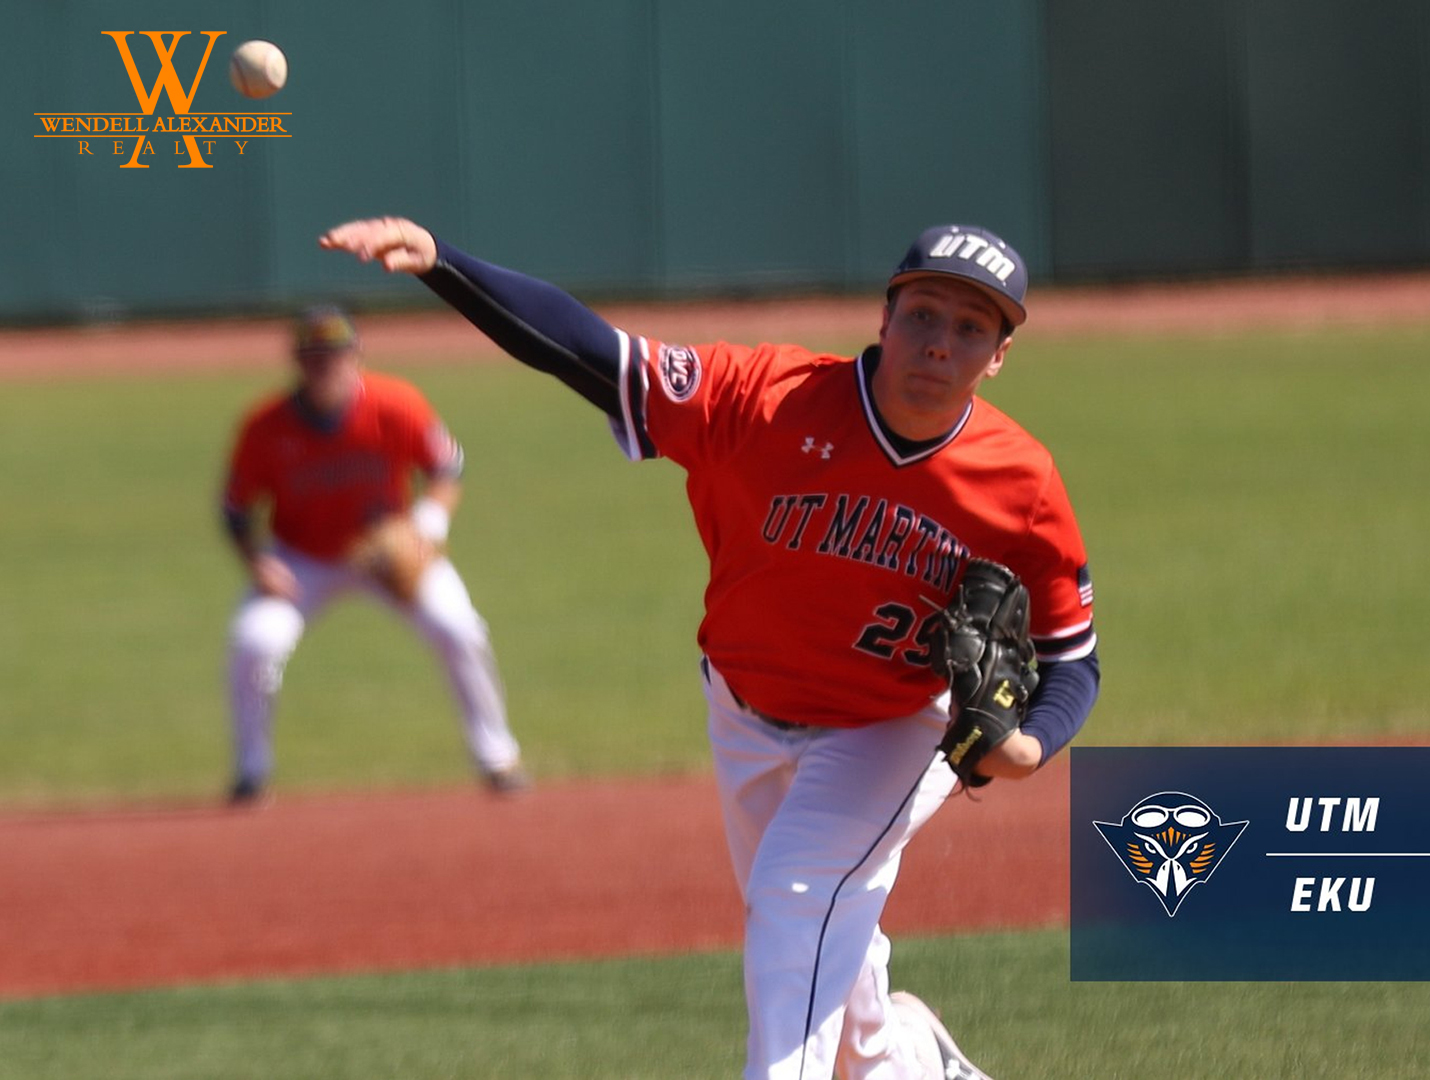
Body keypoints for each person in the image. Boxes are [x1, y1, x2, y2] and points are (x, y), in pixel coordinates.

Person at [319, 218, 1100, 1080]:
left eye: (970, 327)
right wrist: (444, 263)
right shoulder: (763, 397)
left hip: (889, 730)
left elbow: (1073, 655)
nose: (939, 343)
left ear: (998, 357)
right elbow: (588, 351)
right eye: (924, 313)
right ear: (884, 316)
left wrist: (1031, 741)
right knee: (826, 935)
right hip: (742, 708)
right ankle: (910, 1057)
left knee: (797, 898)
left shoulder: (1021, 481)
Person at [219, 305, 526, 805]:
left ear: (357, 355)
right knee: (255, 642)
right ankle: (251, 772)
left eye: (336, 355)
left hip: (390, 551)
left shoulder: (396, 403)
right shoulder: (265, 426)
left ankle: (497, 758)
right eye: (315, 357)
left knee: (459, 629)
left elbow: (446, 470)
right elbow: (234, 509)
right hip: (303, 558)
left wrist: (428, 524)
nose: (327, 366)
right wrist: (258, 562)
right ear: (297, 361)